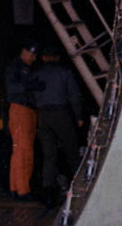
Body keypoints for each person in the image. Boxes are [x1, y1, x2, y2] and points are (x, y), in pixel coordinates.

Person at [31, 46, 86, 208]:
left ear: (42, 58)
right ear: (57, 57)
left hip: (43, 116)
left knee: (49, 155)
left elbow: (31, 95)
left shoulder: (36, 74)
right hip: (61, 114)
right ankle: (80, 189)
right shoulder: (64, 72)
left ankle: (48, 196)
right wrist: (79, 117)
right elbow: (74, 95)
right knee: (72, 152)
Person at [2, 40, 41, 201]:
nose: (33, 57)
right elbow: (12, 88)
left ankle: (16, 187)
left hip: (27, 110)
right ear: (23, 52)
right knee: (24, 151)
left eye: (35, 55)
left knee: (20, 151)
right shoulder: (15, 68)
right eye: (31, 54)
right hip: (21, 110)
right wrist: (31, 86)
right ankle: (23, 190)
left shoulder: (23, 68)